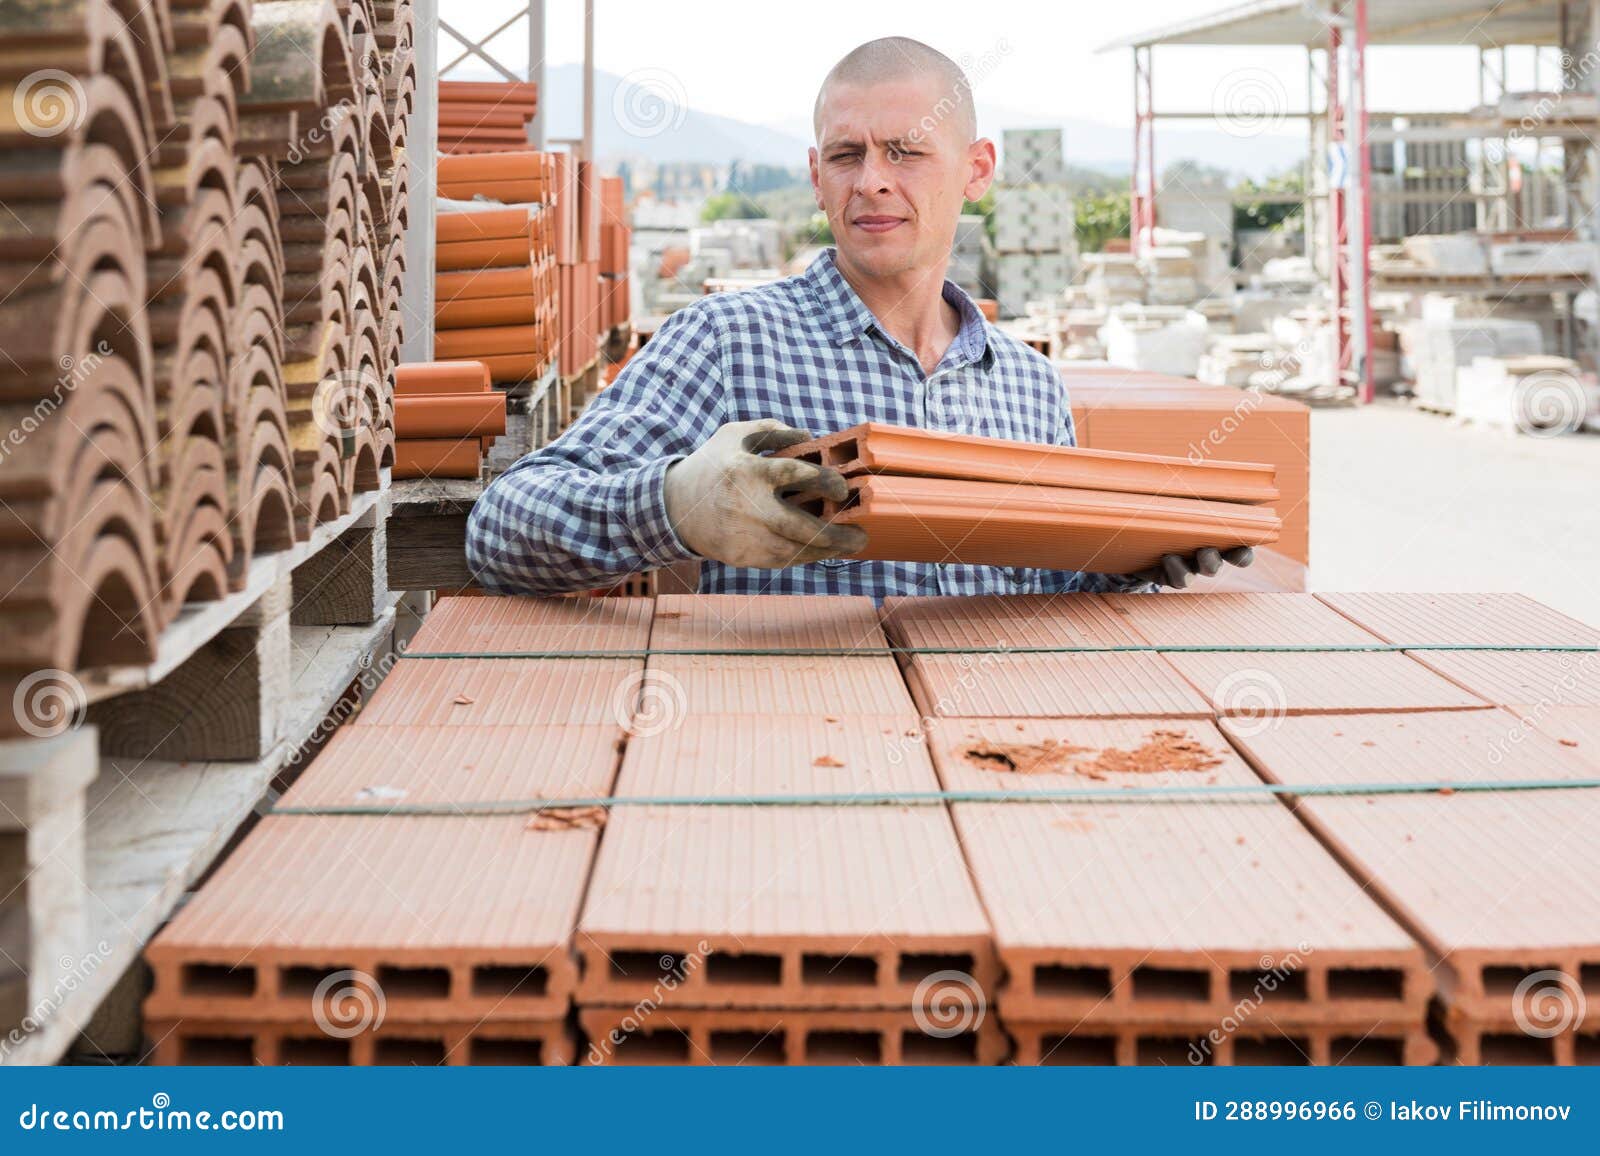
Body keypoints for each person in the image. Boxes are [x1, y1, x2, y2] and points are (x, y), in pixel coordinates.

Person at [467, 36, 1252, 596]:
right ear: (816, 175)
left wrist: (1127, 567)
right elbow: (498, 533)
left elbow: (1035, 592)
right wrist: (674, 506)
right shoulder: (728, 343)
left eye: (906, 152)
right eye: (847, 155)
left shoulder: (1029, 386)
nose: (872, 181)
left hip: (984, 774)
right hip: (807, 766)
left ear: (975, 170)